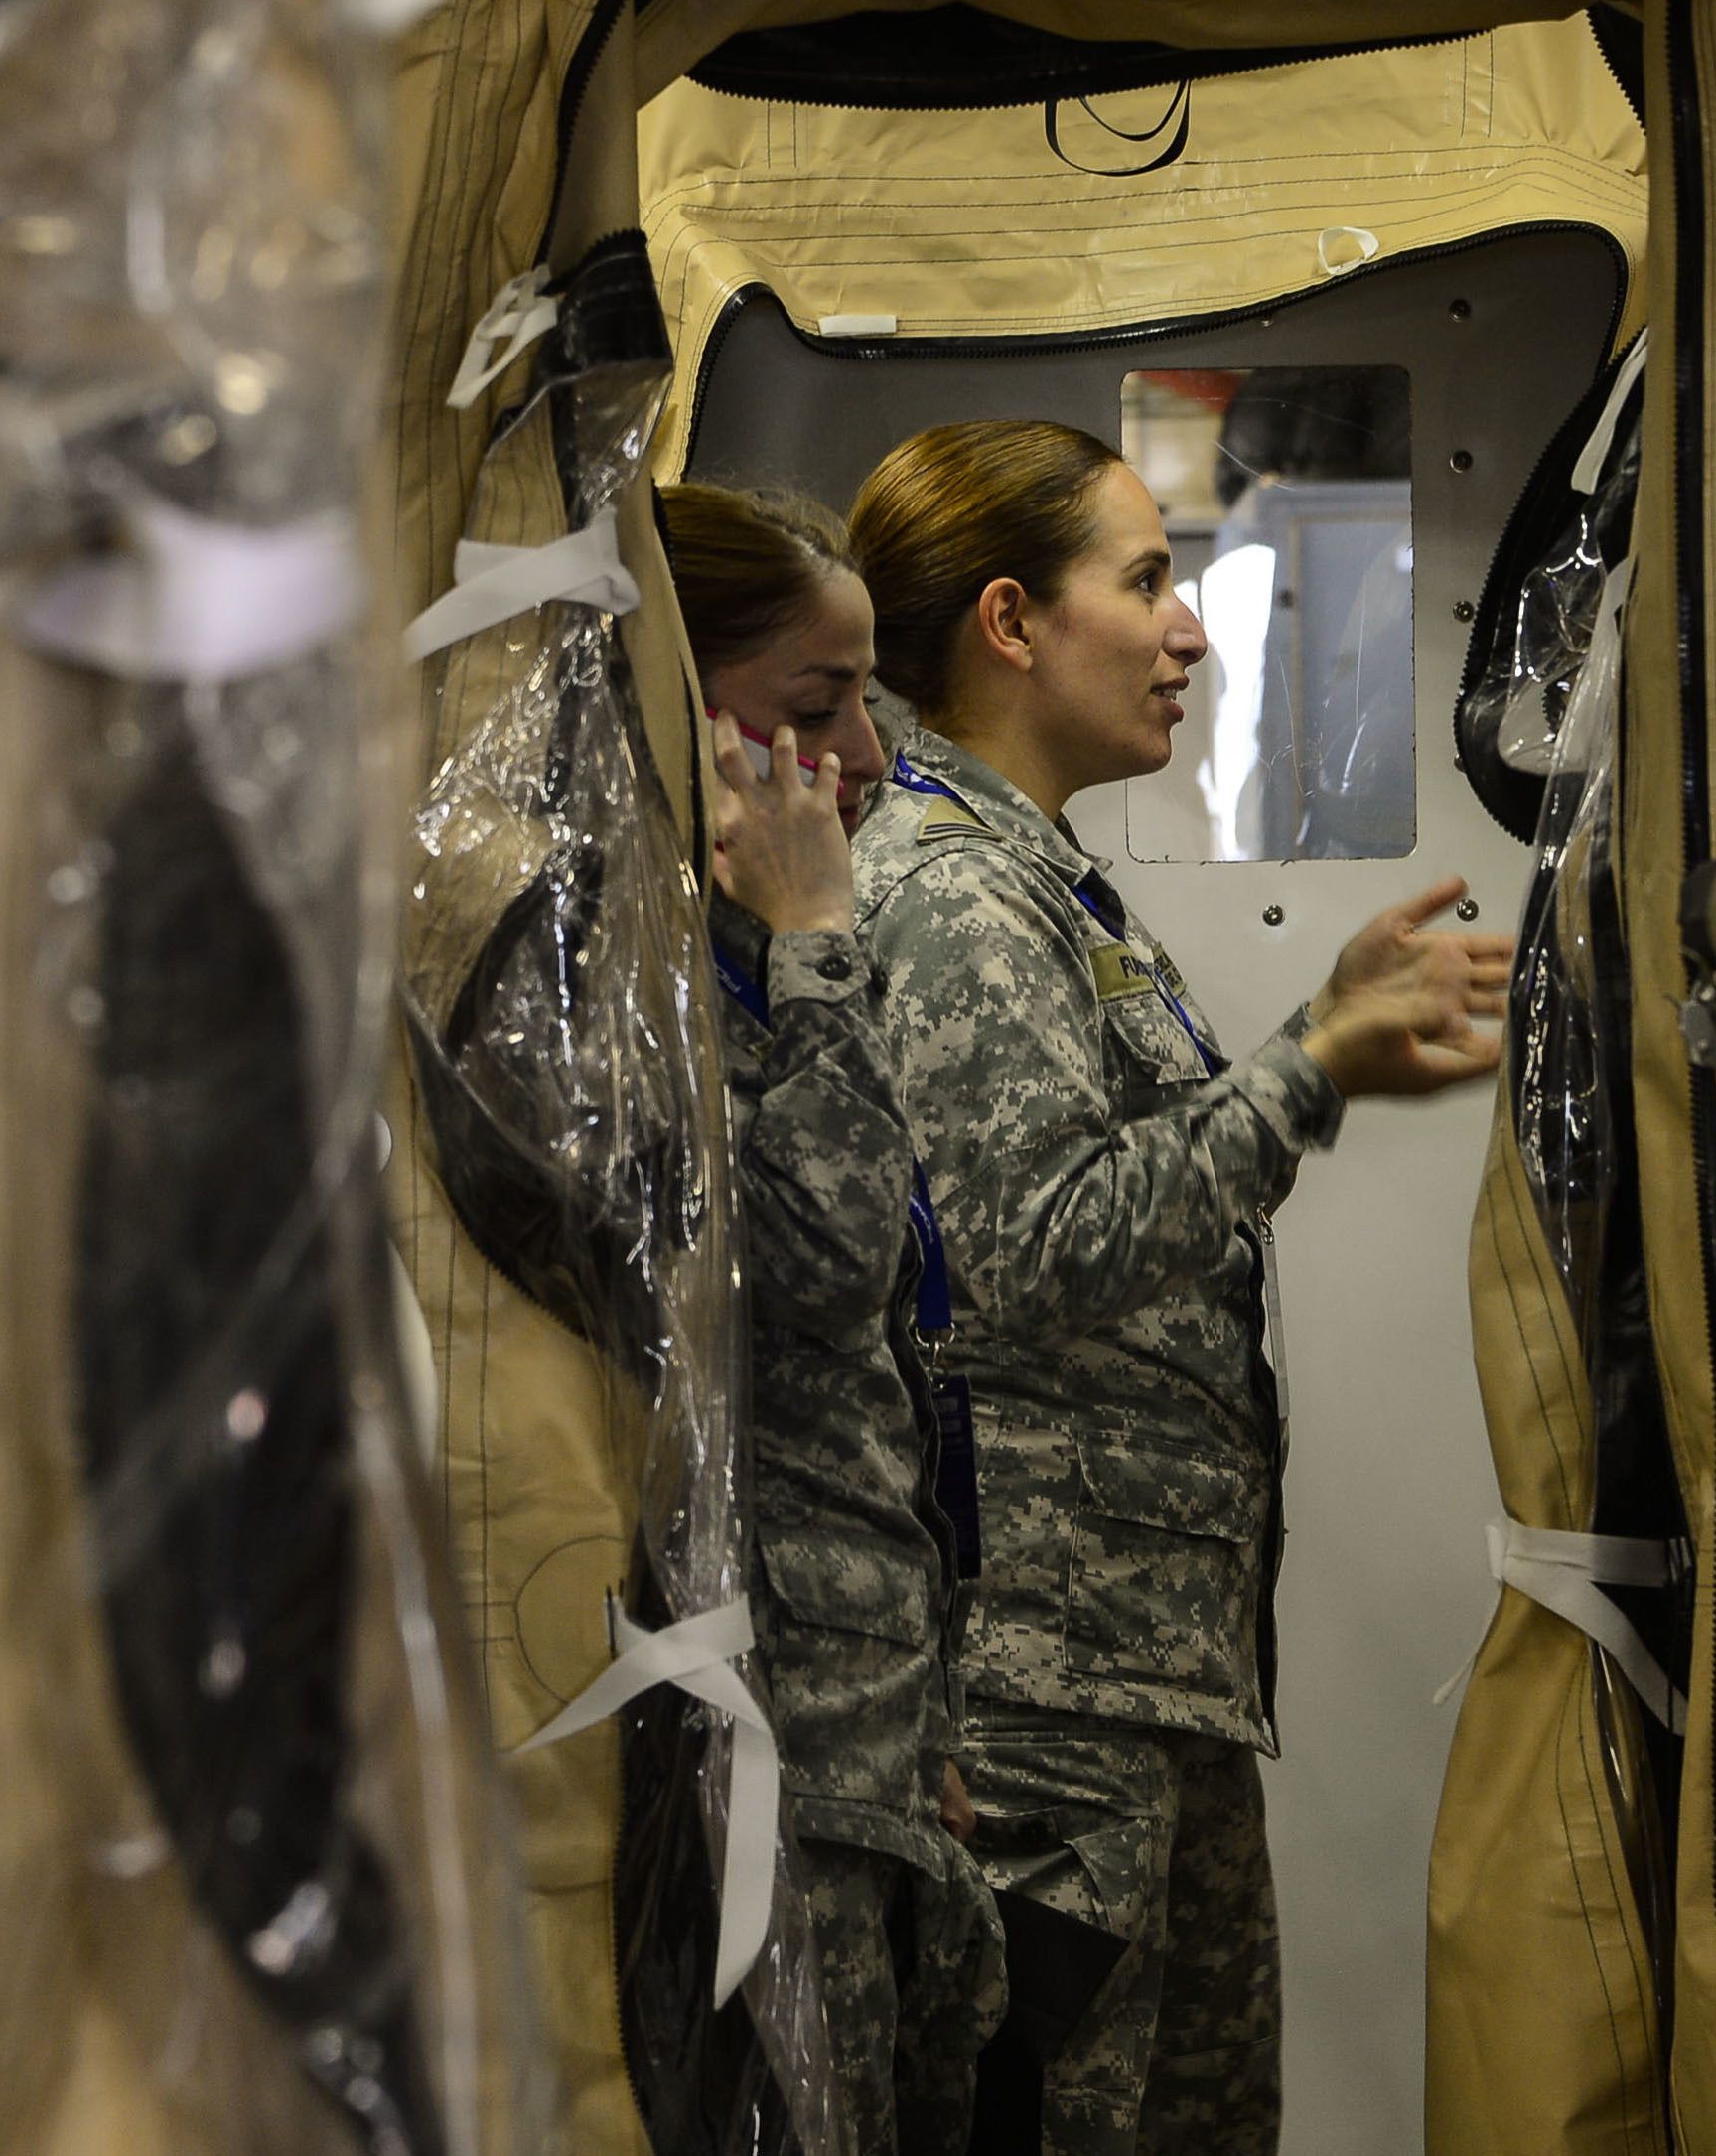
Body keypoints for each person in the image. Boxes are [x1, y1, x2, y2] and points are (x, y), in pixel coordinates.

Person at [844, 420, 1510, 2155]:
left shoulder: (1048, 890)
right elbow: (1033, 1243)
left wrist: (1323, 1061)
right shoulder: (953, 898)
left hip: (1145, 1679)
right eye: (1144, 581)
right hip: (1043, 1695)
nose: (1189, 629)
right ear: (1010, 621)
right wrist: (1308, 1069)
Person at [661, 480, 1005, 2155]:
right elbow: (821, 1256)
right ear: (677, 695)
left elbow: (878, 1372)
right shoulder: (656, 985)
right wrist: (815, 934)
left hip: (866, 1733)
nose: (865, 752)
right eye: (818, 703)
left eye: (866, 696)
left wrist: (920, 1703)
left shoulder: (738, 958)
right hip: (765, 1756)